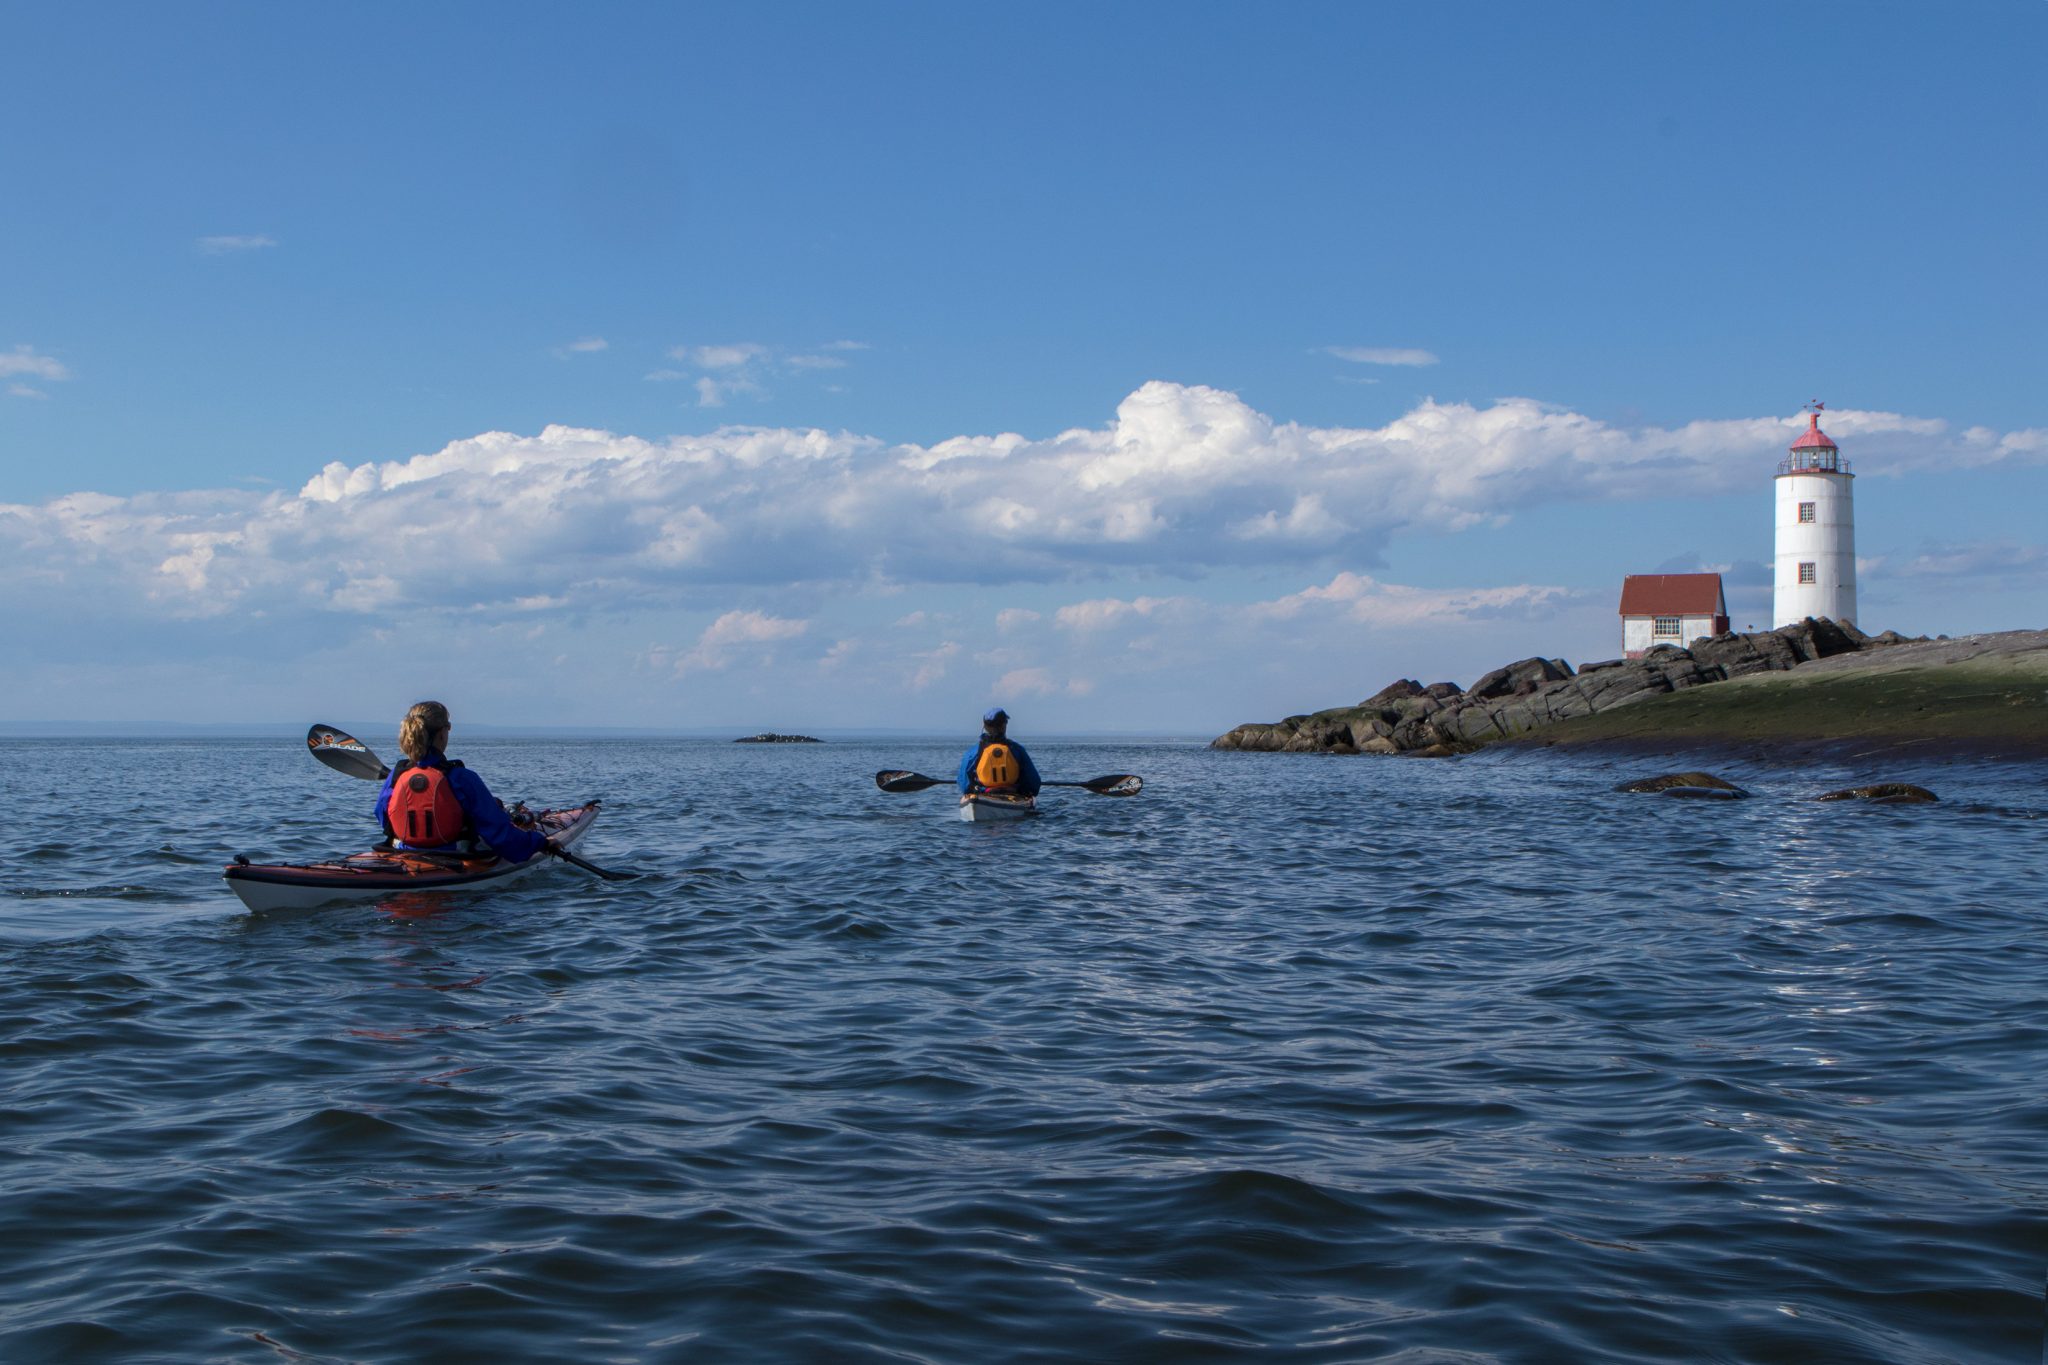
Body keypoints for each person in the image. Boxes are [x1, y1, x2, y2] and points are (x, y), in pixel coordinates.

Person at [373, 700, 554, 863]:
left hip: (404, 853)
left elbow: (382, 815)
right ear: (442, 734)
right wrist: (540, 843)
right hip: (456, 855)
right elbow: (498, 833)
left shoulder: (396, 776)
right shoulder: (461, 777)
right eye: (448, 727)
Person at [958, 707, 1042, 797]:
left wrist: (972, 790)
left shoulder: (973, 752)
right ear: (1003, 726)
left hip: (983, 794)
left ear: (985, 726)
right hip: (1013, 794)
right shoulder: (1017, 749)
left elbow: (963, 782)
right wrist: (1026, 791)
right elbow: (1034, 782)